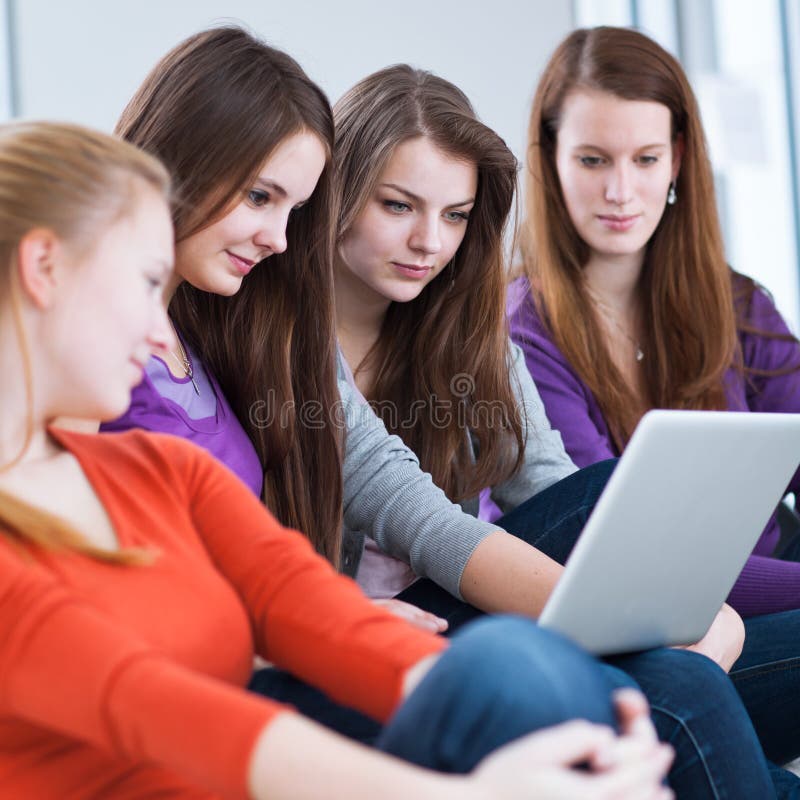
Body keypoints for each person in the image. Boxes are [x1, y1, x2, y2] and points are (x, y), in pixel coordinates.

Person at [100, 27, 796, 797]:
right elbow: (389, 512)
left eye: (457, 216)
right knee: (676, 685)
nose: (430, 242)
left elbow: (562, 497)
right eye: (398, 206)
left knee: (630, 567)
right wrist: (342, 622)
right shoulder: (213, 334)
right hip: (321, 642)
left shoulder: (452, 332)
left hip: (358, 623)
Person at [0, 119, 681, 800]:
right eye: (146, 282)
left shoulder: (161, 471)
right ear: (43, 269)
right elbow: (165, 711)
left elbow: (318, 612)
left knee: (515, 669)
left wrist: (539, 711)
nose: (160, 328)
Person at [507, 25, 800, 619]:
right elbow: (632, 558)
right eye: (593, 160)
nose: (621, 191)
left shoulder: (738, 303)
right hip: (660, 620)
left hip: (775, 578)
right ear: (550, 160)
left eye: (646, 159)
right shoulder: (525, 336)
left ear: (678, 160)